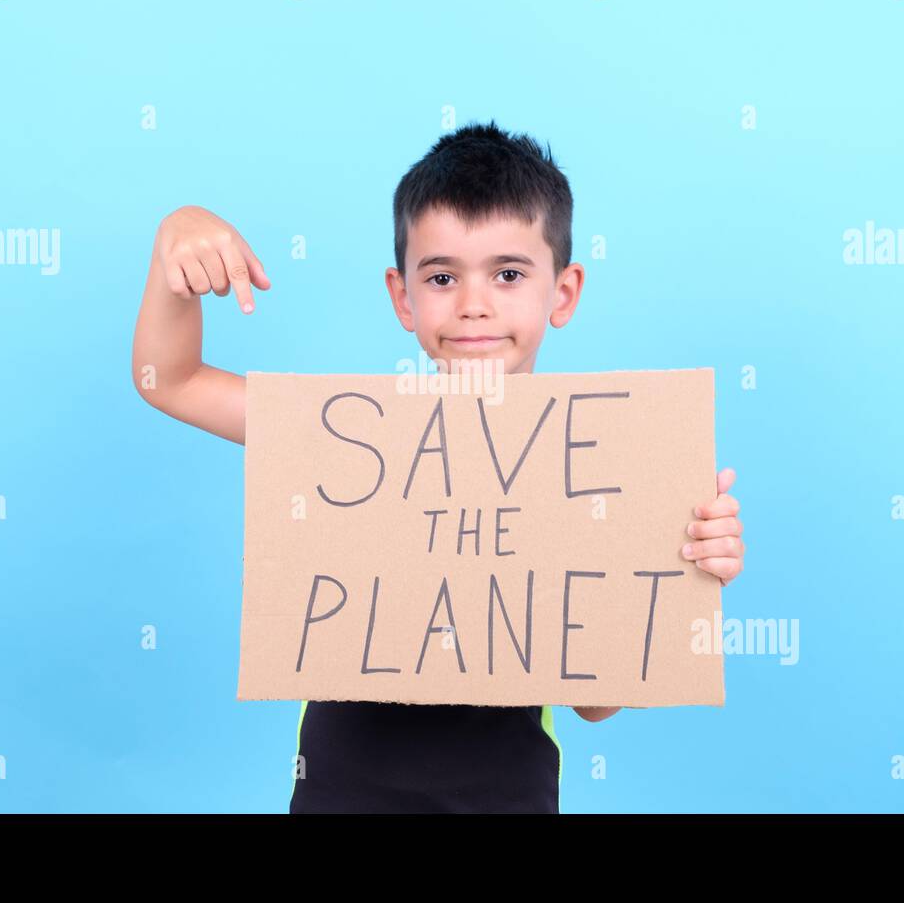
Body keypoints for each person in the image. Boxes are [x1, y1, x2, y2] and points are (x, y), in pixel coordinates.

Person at [131, 120, 746, 812]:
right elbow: (170, 379)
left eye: (509, 274)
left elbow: (595, 704)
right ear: (403, 297)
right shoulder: (349, 441)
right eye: (443, 277)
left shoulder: (593, 472)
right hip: (340, 795)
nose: (474, 305)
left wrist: (677, 567)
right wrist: (173, 244)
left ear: (563, 292)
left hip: (509, 797)